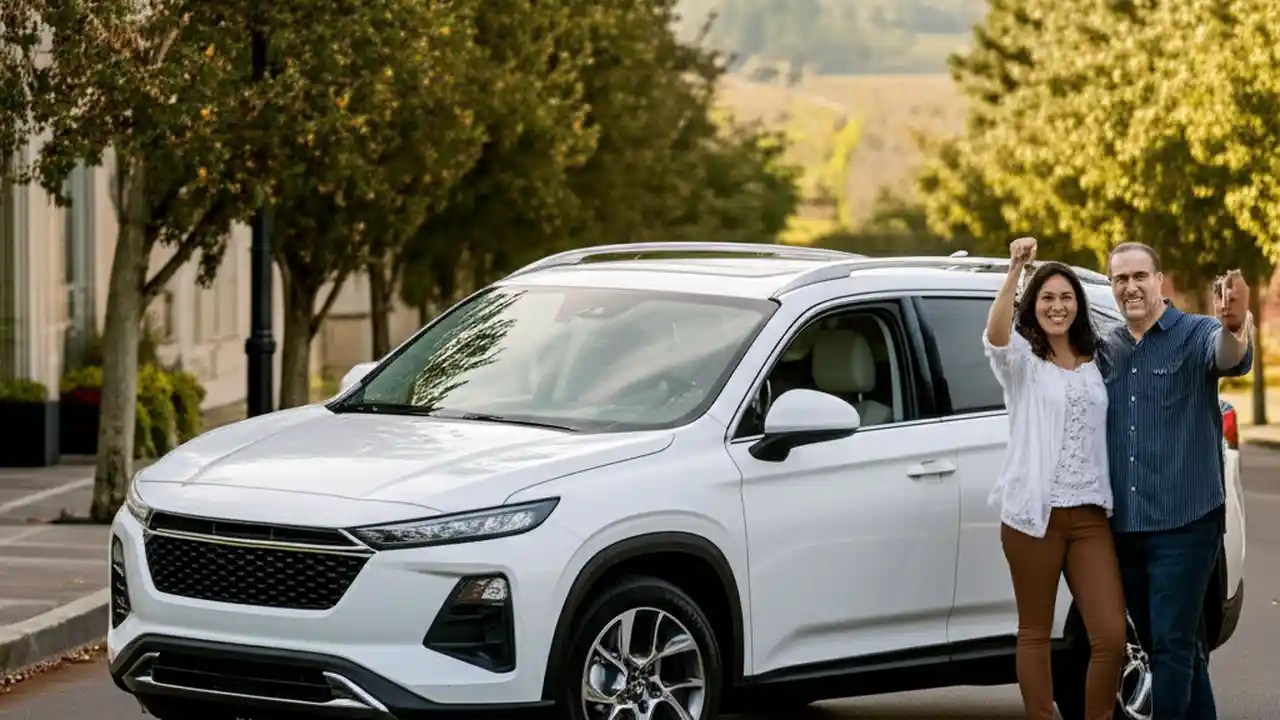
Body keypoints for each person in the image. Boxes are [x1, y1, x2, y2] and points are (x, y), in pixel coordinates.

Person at [1098, 241, 1252, 720]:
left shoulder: (1196, 333)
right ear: (1112, 287)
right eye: (1121, 279)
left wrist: (1234, 325)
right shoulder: (1107, 349)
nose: (1131, 287)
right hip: (1128, 528)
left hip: (1187, 523)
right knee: (1179, 649)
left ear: (1159, 281)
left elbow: (1228, 354)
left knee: (1168, 648)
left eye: (1139, 276)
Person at [983, 236, 1127, 720]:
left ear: (1078, 306)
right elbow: (996, 336)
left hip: (1089, 516)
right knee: (1035, 631)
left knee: (1110, 633)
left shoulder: (1098, 361)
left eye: (1066, 298)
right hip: (1032, 517)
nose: (1057, 306)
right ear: (1033, 304)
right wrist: (1015, 270)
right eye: (1047, 298)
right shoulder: (1023, 361)